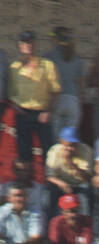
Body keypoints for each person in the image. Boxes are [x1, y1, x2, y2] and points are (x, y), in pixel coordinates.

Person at [8, 32, 61, 170]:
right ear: (20, 46)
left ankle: (48, 183)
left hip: (42, 113)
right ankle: (27, 184)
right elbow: (11, 92)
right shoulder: (15, 67)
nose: (28, 45)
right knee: (24, 151)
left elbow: (55, 91)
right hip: (23, 112)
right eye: (25, 43)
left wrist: (48, 111)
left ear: (36, 44)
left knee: (47, 149)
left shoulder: (47, 65)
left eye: (31, 42)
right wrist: (16, 107)